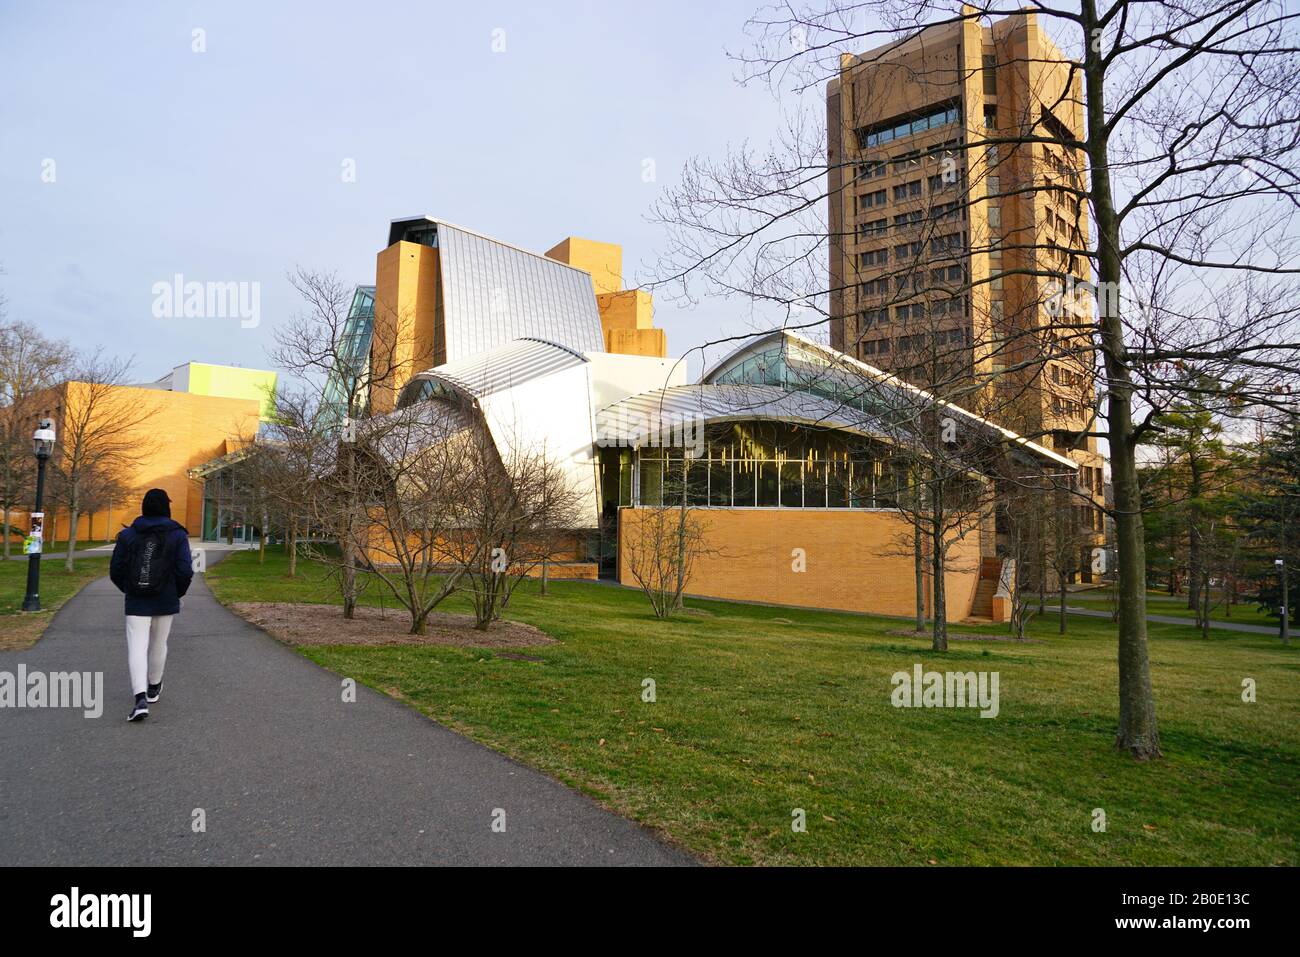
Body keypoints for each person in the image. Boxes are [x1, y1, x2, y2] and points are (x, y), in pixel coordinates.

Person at [109, 488, 194, 722]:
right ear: (167, 507)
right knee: (159, 643)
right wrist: (177, 592)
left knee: (137, 646)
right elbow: (185, 569)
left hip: (137, 599)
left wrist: (129, 588)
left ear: (143, 506)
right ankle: (154, 686)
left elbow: (116, 569)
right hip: (166, 597)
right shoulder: (178, 535)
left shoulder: (128, 535)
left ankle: (140, 698)